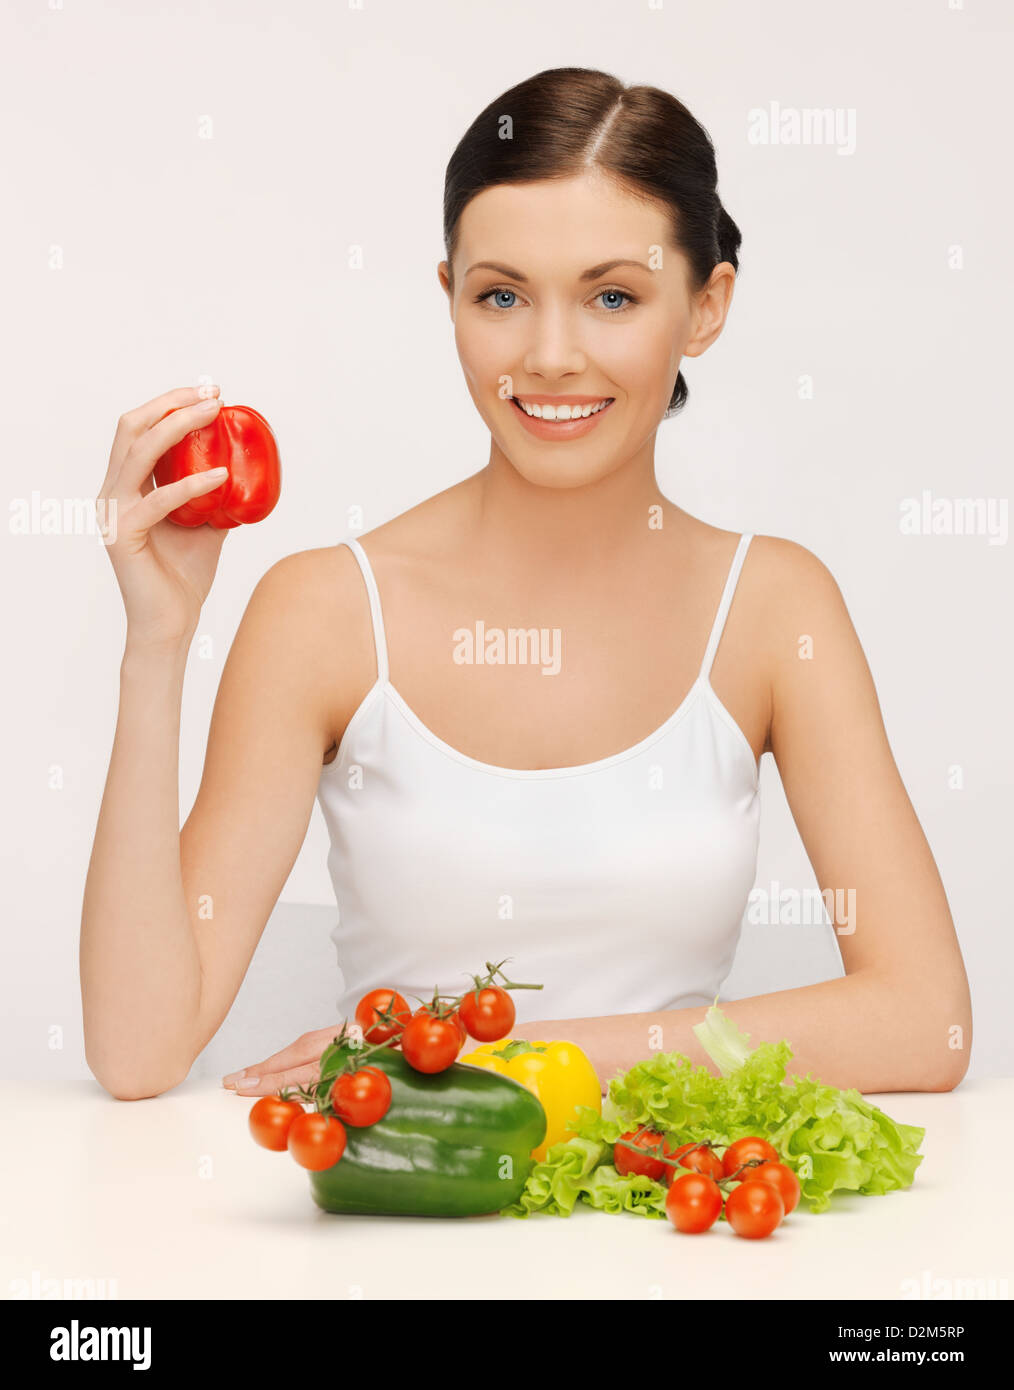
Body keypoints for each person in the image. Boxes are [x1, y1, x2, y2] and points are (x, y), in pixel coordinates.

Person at [82, 67, 971, 1102]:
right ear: (450, 295)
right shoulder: (324, 612)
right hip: (400, 1220)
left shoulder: (775, 607)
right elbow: (137, 1054)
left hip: (677, 1238)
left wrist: (503, 1056)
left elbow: (924, 1019)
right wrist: (156, 644)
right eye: (500, 295)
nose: (550, 356)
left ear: (705, 307)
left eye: (613, 297)